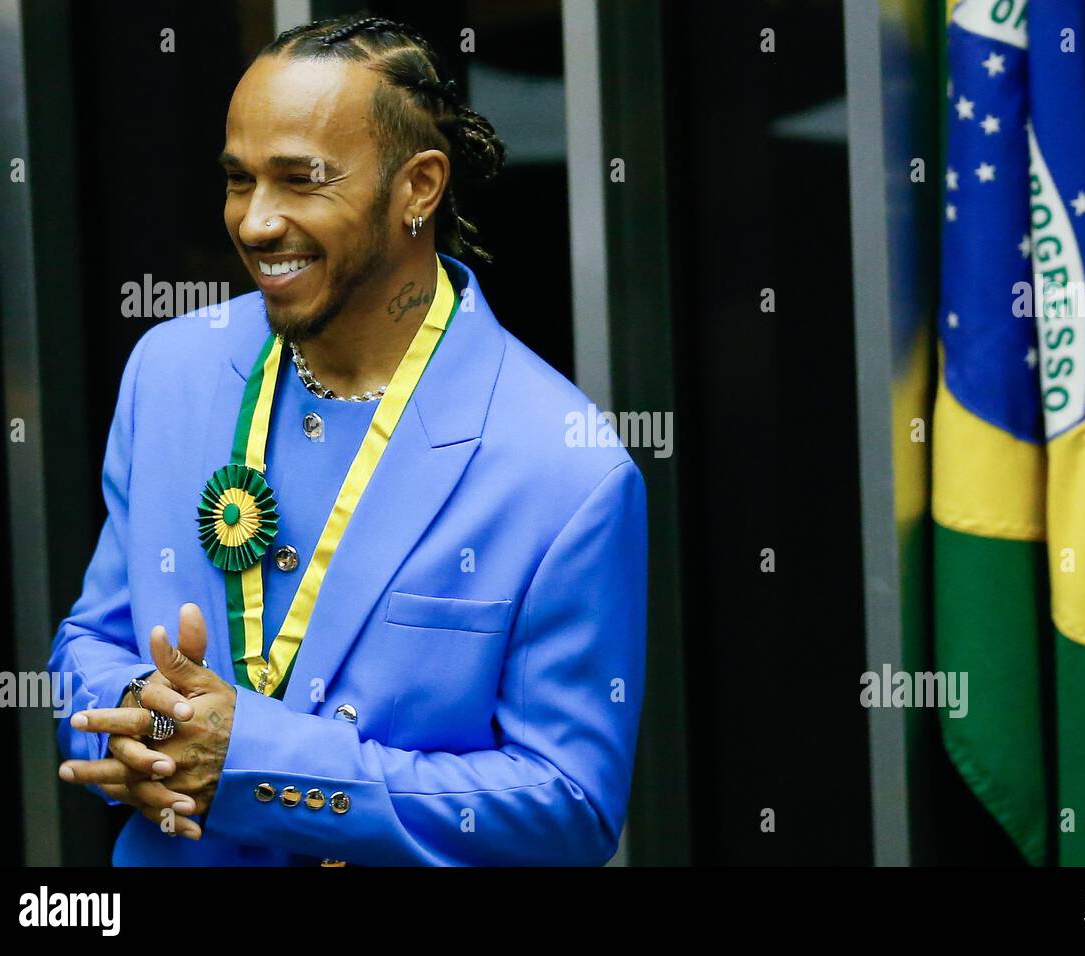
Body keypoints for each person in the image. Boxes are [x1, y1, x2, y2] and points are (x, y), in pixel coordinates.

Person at [49, 14, 647, 866]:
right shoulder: (168, 373)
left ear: (419, 188)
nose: (256, 223)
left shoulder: (566, 467)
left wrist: (255, 766)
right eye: (238, 181)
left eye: (301, 180)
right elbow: (88, 642)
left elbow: (568, 808)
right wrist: (148, 722)